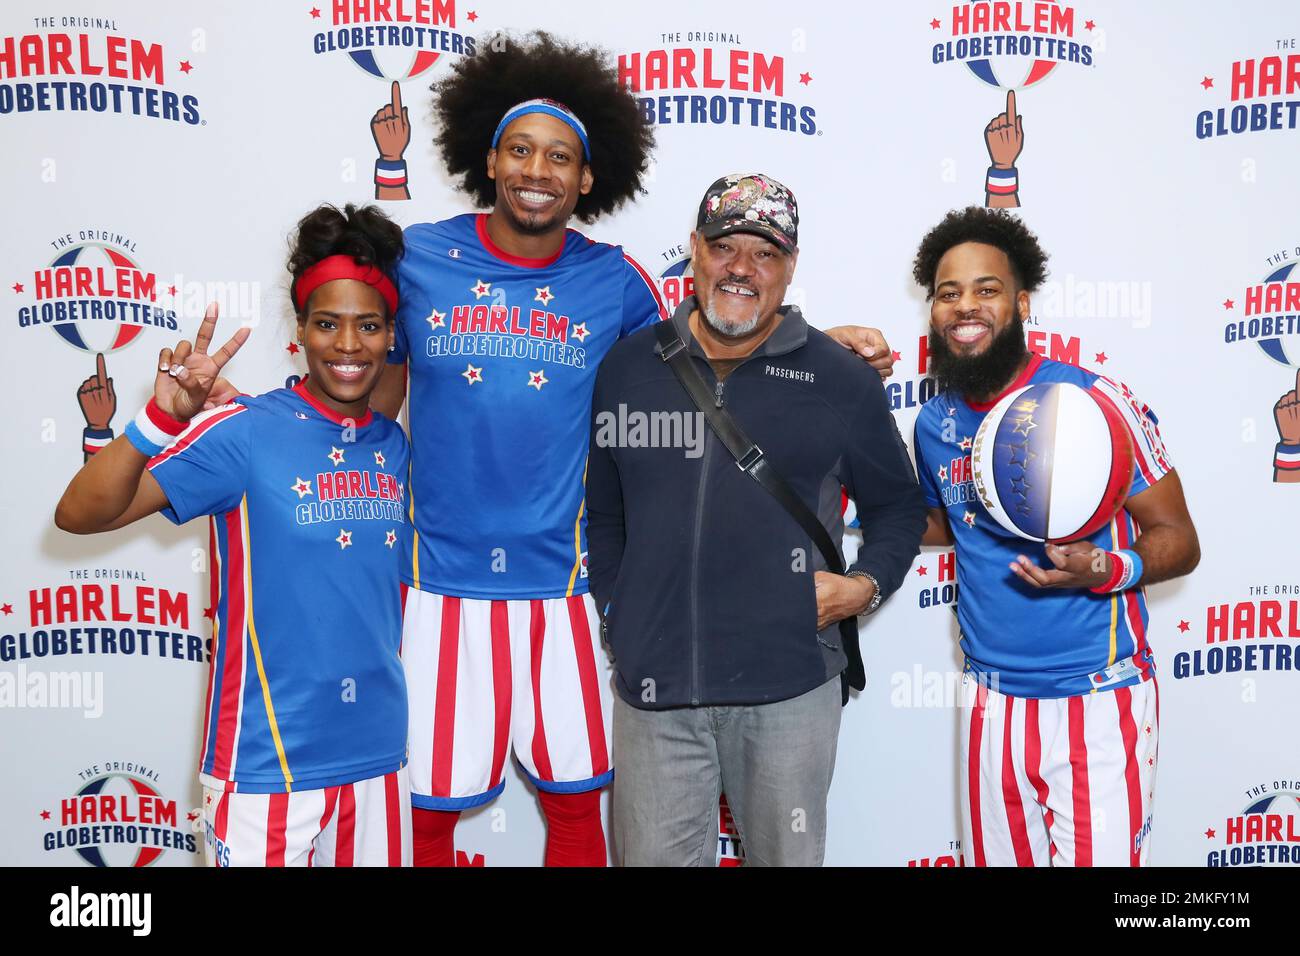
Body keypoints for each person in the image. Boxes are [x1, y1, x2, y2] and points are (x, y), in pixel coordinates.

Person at [362, 33, 901, 867]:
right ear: (491, 159)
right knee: (425, 811)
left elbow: (697, 356)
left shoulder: (614, 279)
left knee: (579, 802)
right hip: (440, 584)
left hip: (569, 587)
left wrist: (818, 351)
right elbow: (360, 372)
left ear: (588, 176)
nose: (538, 171)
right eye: (520, 151)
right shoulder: (419, 259)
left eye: (560, 157)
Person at [54, 204, 413, 867]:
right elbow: (80, 513)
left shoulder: (391, 443)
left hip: (379, 761)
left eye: (369, 327)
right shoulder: (243, 433)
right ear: (299, 329)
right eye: (327, 324)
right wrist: (160, 418)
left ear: (392, 336)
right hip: (265, 767)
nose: (347, 345)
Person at [585, 173, 928, 866]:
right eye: (724, 246)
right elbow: (607, 514)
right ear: (693, 250)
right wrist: (621, 610)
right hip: (656, 695)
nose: (741, 267)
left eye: (765, 252)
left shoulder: (838, 377)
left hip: (789, 691)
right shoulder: (627, 368)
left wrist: (863, 586)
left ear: (790, 266)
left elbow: (899, 507)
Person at [910, 206, 1200, 867]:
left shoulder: (1092, 403)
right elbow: (944, 520)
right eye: (948, 293)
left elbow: (1179, 537)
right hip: (991, 701)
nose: (966, 307)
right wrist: (845, 502)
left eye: (987, 289)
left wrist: (1108, 567)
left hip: (1094, 699)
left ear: (1021, 301)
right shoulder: (933, 421)